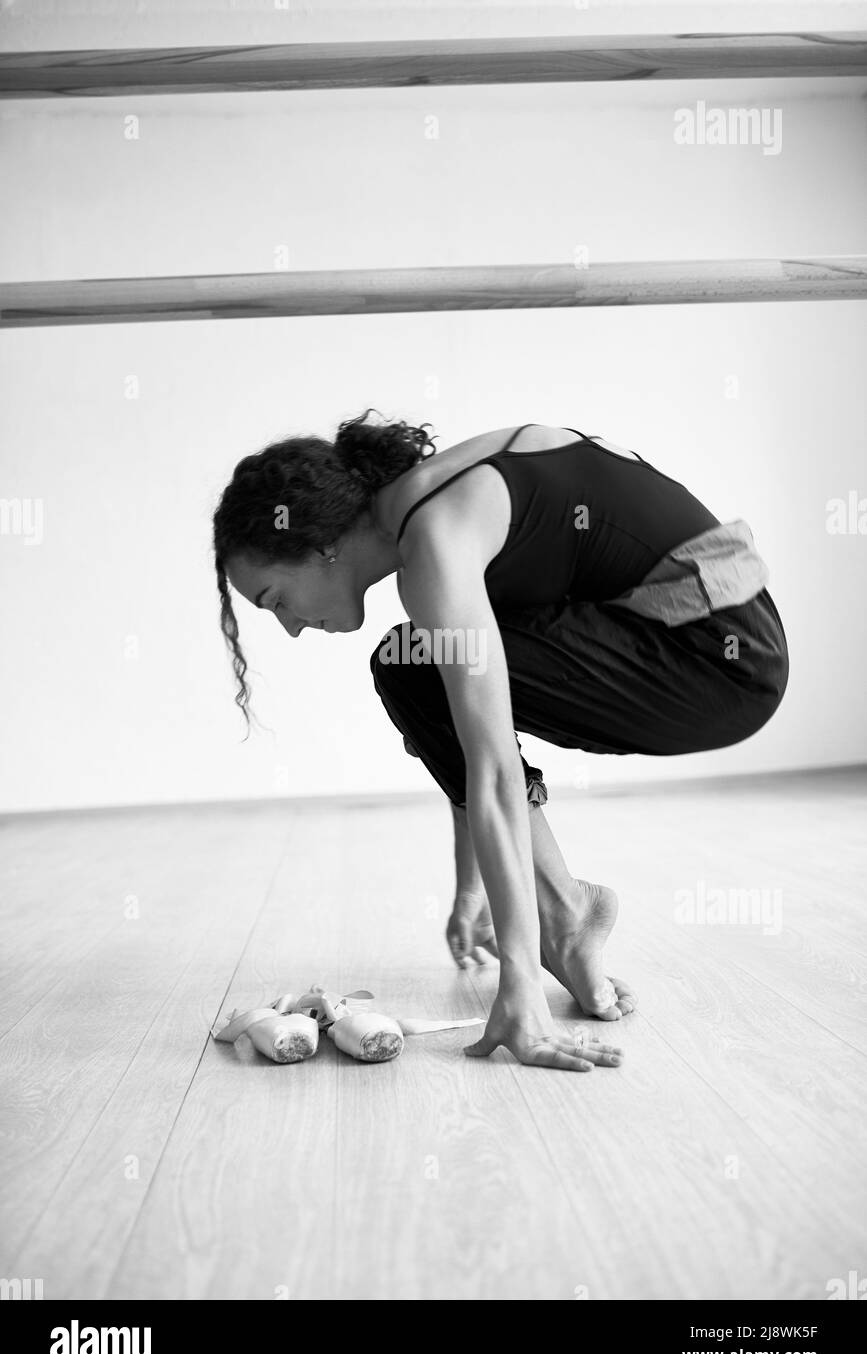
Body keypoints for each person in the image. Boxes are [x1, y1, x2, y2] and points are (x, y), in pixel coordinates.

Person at [212, 408, 789, 1072]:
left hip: (719, 662)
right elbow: (469, 717)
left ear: (320, 546)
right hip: (713, 643)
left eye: (274, 598)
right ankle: (566, 914)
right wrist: (470, 886)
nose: (288, 627)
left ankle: (563, 915)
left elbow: (490, 767)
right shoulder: (431, 506)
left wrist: (518, 986)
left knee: (408, 663)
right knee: (411, 661)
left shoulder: (434, 542)